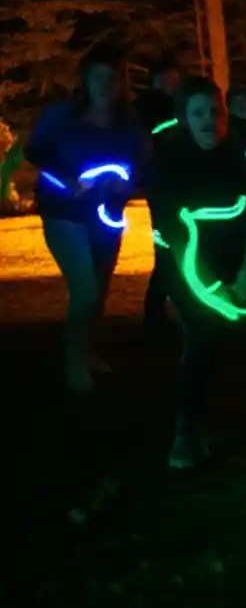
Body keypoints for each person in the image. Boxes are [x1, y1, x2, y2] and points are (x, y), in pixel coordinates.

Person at [148, 76, 246, 468]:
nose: (208, 120)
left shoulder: (237, 159)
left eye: (215, 111)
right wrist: (213, 288)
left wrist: (245, 273)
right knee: (202, 333)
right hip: (184, 265)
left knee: (225, 336)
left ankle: (215, 415)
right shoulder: (169, 165)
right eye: (198, 112)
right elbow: (178, 236)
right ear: (183, 117)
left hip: (227, 258)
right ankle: (186, 432)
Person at [25, 43, 147, 392]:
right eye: (99, 77)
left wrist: (127, 185)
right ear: (86, 80)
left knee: (101, 288)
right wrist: (67, 180)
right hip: (64, 211)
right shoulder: (62, 117)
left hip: (107, 214)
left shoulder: (129, 123)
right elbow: (35, 152)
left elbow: (142, 163)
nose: (106, 85)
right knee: (86, 290)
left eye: (113, 78)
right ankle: (74, 361)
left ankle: (89, 350)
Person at [137, 56, 181, 330]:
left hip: (165, 186)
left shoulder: (151, 108)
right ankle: (155, 314)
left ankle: (156, 312)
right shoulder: (158, 110)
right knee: (167, 249)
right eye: (170, 80)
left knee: (168, 249)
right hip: (164, 187)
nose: (173, 85)